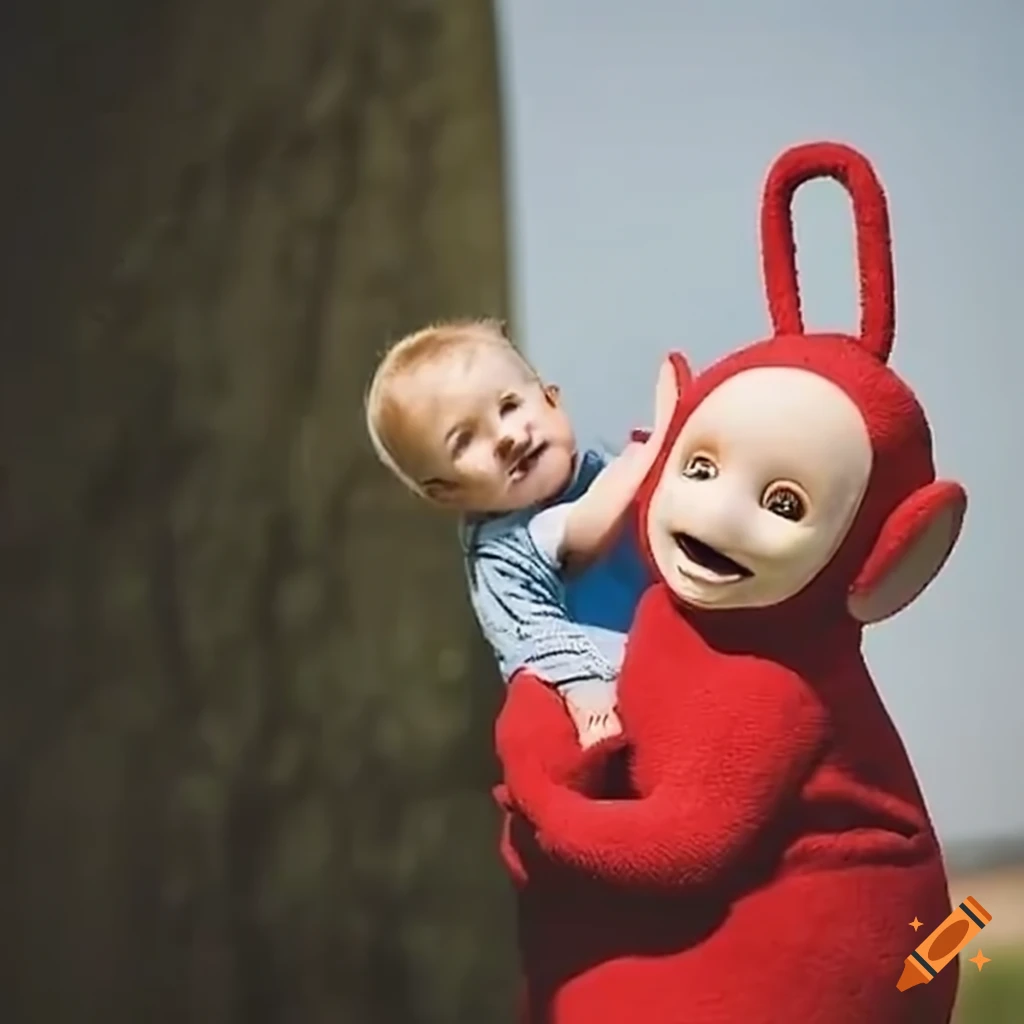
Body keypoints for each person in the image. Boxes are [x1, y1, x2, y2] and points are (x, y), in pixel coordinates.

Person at [364, 318, 672, 746]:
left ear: (552, 400)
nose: (506, 437)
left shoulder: (597, 471)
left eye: (509, 406)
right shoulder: (507, 539)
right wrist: (663, 439)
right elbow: (589, 524)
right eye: (464, 440)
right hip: (595, 687)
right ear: (449, 493)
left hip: (655, 654)